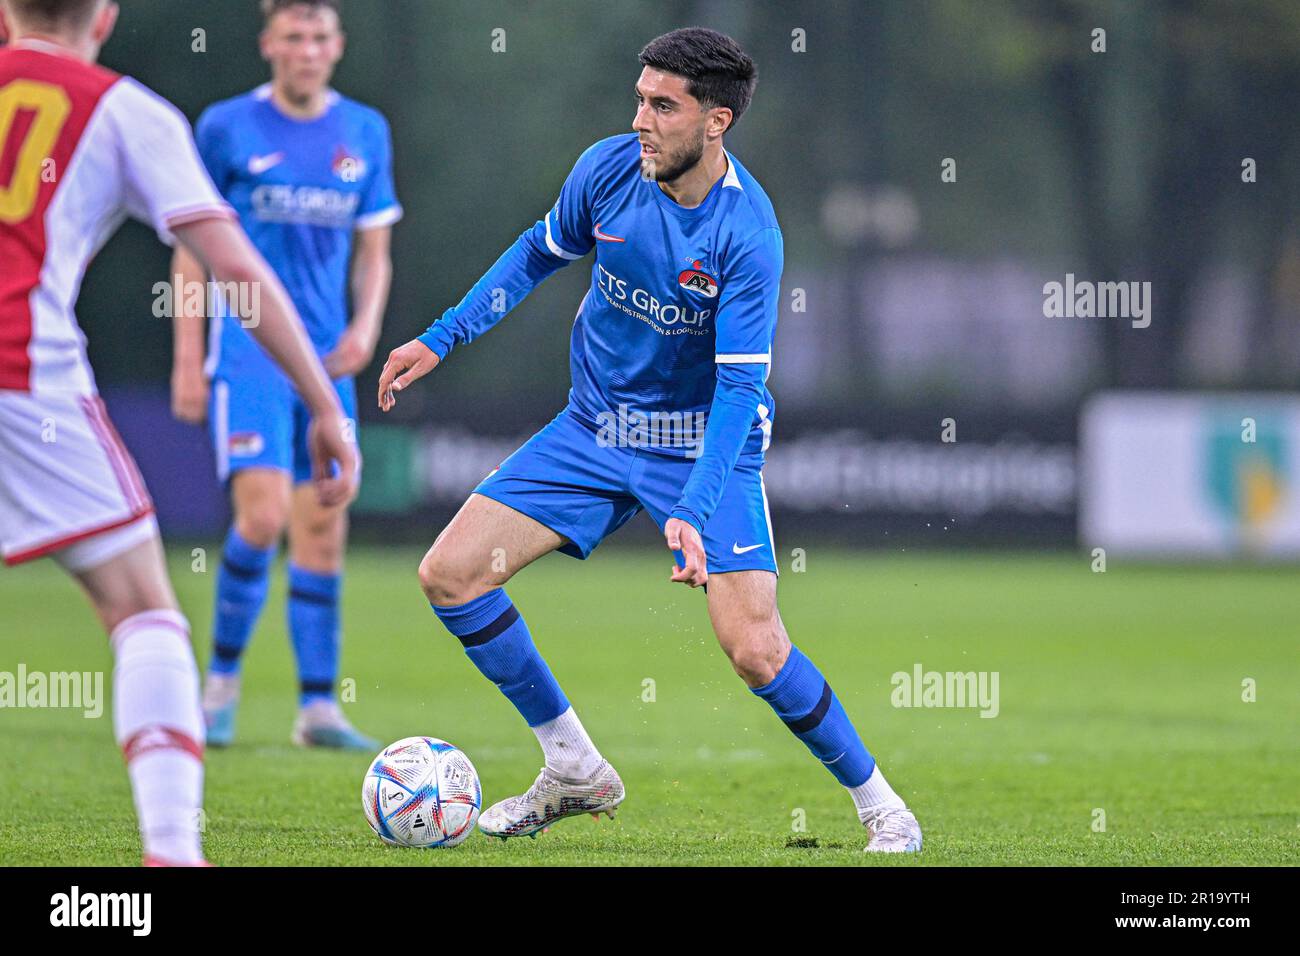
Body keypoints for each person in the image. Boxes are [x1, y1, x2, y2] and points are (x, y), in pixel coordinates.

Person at [378, 27, 922, 852]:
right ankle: (572, 766)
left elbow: (740, 389)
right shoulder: (607, 169)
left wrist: (694, 508)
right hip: (593, 429)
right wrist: (441, 338)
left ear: (717, 122)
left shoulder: (750, 235)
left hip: (699, 443)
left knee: (755, 650)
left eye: (663, 106)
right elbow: (536, 254)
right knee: (451, 576)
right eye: (640, 98)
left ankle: (882, 804)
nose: (641, 119)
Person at [0, 0, 356, 865]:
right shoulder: (126, 110)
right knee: (143, 614)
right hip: (24, 379)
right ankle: (171, 855)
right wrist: (322, 402)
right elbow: (233, 268)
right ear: (107, 15)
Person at [171, 0, 399, 749]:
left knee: (323, 530)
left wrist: (365, 331)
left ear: (338, 47)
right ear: (269, 44)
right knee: (263, 520)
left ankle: (317, 711)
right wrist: (188, 357)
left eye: (321, 37)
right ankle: (220, 690)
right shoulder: (226, 126)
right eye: (294, 36)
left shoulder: (365, 131)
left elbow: (374, 252)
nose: (307, 49)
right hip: (246, 354)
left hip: (327, 360)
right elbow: (192, 248)